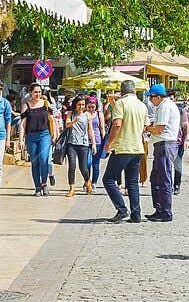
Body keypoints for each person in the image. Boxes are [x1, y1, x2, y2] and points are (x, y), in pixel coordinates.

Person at [102, 79, 149, 222]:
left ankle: (122, 209)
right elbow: (145, 127)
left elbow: (116, 124)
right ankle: (136, 214)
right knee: (132, 182)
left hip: (123, 147)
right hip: (137, 148)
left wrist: (108, 143)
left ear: (121, 92)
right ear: (134, 91)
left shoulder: (120, 104)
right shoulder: (142, 106)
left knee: (108, 179)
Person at [146, 83, 181, 222]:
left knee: (164, 179)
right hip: (163, 145)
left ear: (158, 97)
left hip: (165, 145)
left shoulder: (165, 106)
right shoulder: (165, 105)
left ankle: (166, 212)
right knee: (156, 178)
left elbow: (159, 129)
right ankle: (159, 209)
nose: (150, 100)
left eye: (151, 97)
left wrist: (147, 128)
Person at [20, 83, 58, 196]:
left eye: (39, 92)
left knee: (44, 159)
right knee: (35, 162)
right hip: (31, 136)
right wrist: (21, 139)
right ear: (30, 93)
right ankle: (37, 187)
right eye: (35, 92)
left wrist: (55, 134)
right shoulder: (26, 106)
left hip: (44, 135)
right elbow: (23, 124)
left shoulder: (45, 104)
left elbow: (52, 119)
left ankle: (44, 183)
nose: (38, 94)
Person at [61, 95, 98, 197]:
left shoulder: (87, 115)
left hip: (84, 144)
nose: (81, 107)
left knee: (83, 167)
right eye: (79, 105)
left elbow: (90, 130)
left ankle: (87, 181)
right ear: (75, 105)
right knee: (72, 166)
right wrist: (74, 121)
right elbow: (67, 124)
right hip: (71, 143)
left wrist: (93, 143)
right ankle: (71, 188)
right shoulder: (70, 113)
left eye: (83, 105)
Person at [172, 98, 189, 195]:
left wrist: (187, 139)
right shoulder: (162, 109)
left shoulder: (181, 111)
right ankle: (167, 186)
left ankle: (177, 185)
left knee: (177, 164)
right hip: (166, 141)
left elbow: (186, 126)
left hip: (178, 142)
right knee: (165, 166)